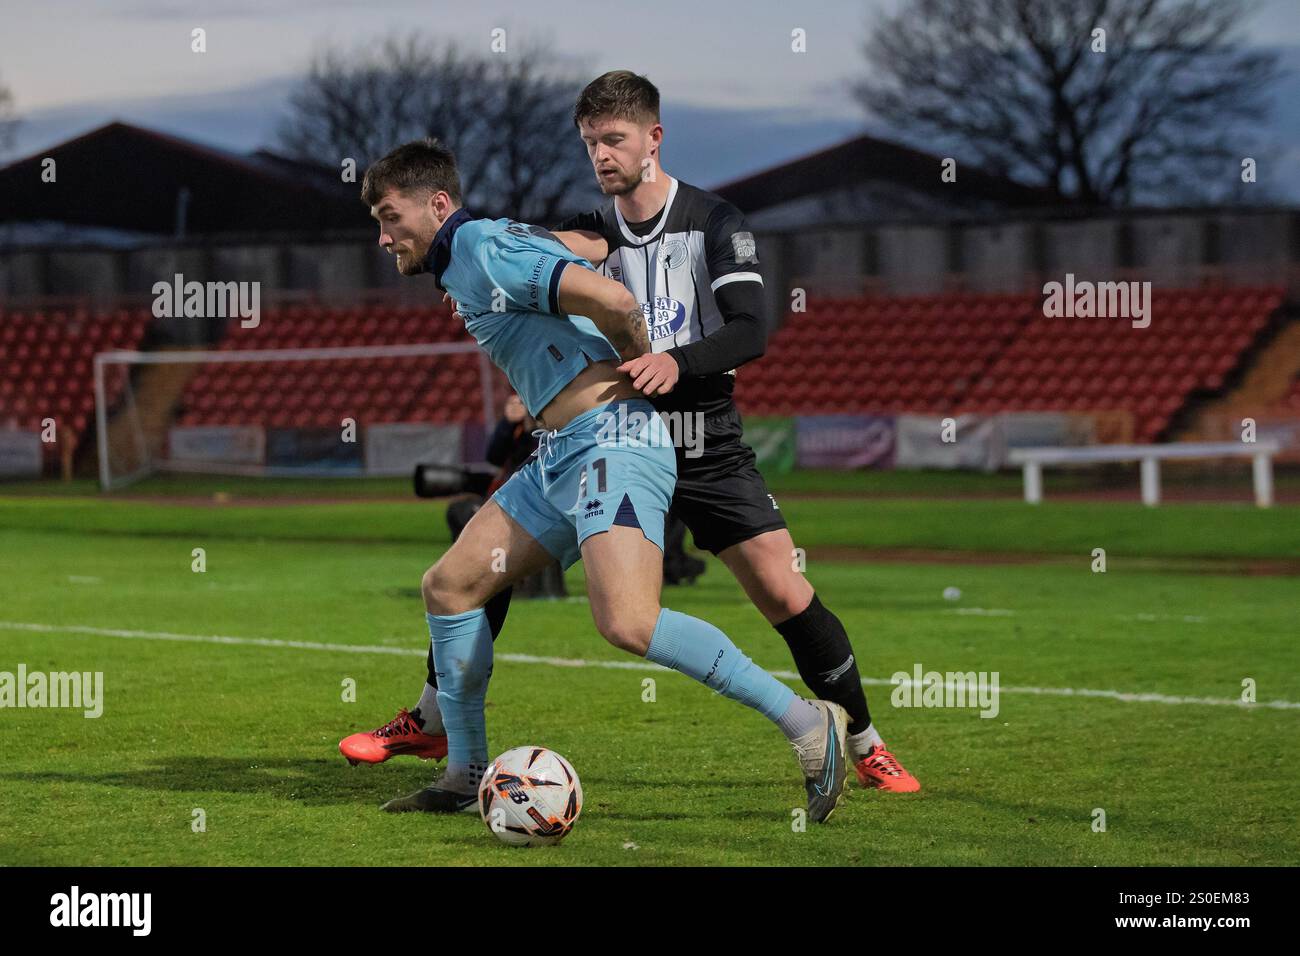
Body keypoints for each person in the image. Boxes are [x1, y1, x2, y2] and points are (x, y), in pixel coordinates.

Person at [342, 72, 920, 794]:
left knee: (668, 611)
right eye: (590, 142)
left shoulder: (705, 222)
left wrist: (648, 354)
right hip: (571, 447)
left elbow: (663, 308)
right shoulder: (530, 240)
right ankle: (459, 767)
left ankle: (828, 727)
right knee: (454, 583)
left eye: (390, 217)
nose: (382, 235)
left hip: (655, 433)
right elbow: (560, 254)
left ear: (654, 138)